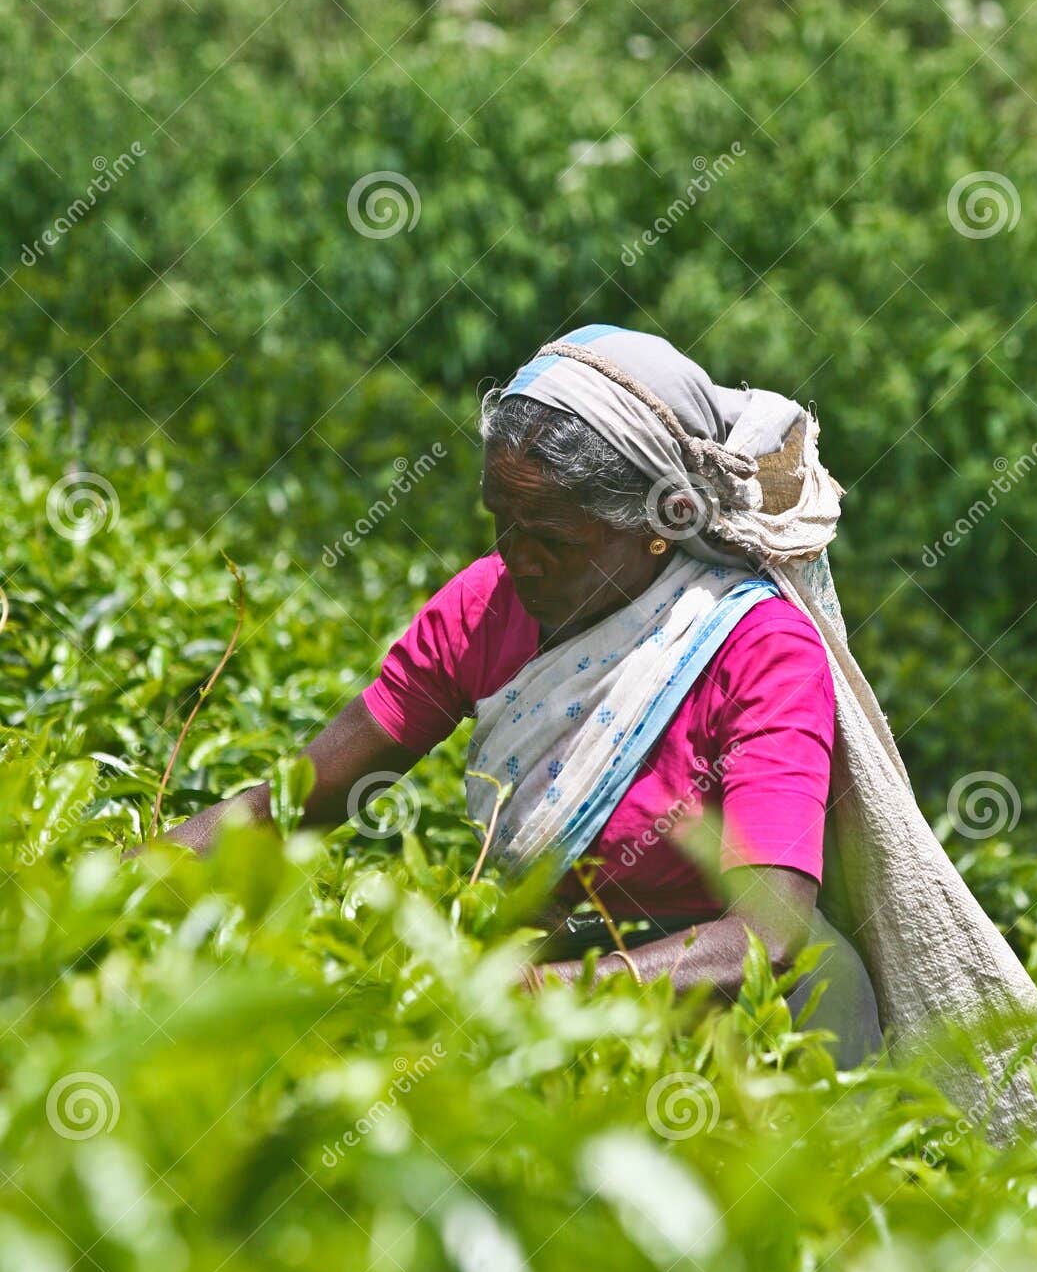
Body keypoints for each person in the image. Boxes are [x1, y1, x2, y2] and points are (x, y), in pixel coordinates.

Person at [164, 324, 882, 1064]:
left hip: (735, 1005)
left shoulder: (759, 648)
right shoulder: (488, 604)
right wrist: (115, 879)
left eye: (554, 540)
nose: (518, 557)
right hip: (550, 959)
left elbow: (763, 935)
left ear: (657, 526)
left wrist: (533, 993)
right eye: (500, 522)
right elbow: (287, 808)